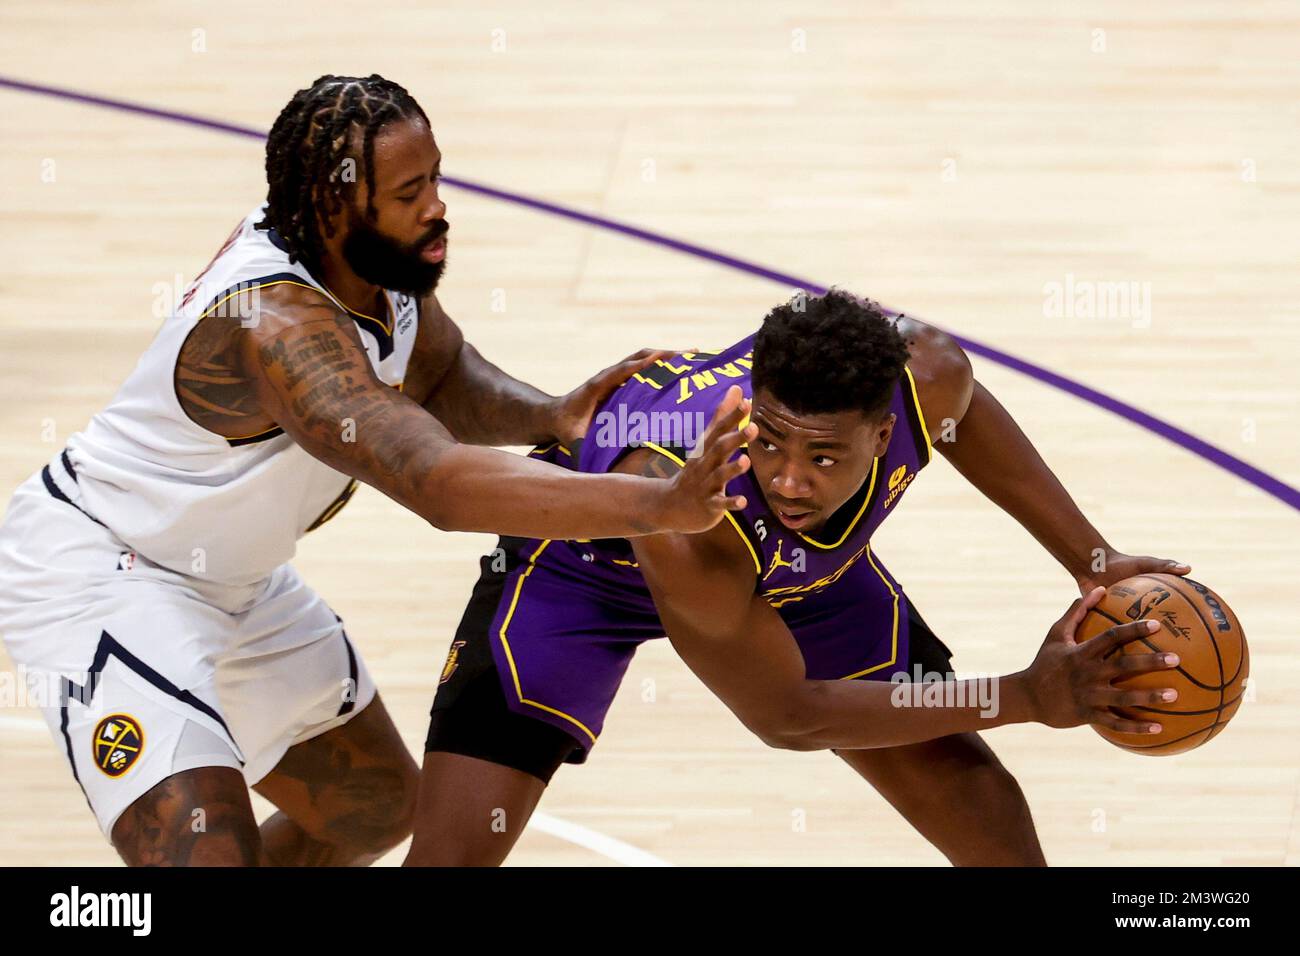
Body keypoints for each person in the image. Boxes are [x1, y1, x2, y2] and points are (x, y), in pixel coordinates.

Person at [0, 74, 747, 866]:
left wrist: (546, 415)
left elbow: (441, 369)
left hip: (234, 581)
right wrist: (654, 504)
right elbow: (433, 480)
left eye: (435, 178)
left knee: (376, 807)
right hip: (107, 573)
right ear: (335, 205)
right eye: (409, 191)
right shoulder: (276, 327)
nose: (438, 206)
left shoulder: (366, 259)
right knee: (207, 855)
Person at [408, 289, 1189, 866]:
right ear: (750, 405)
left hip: (794, 572)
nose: (788, 480)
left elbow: (966, 415)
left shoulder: (929, 373)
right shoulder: (691, 499)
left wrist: (1093, 559)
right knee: (452, 855)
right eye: (772, 442)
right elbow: (787, 716)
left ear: (884, 433)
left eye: (823, 457)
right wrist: (1022, 696)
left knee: (964, 787)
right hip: (590, 567)